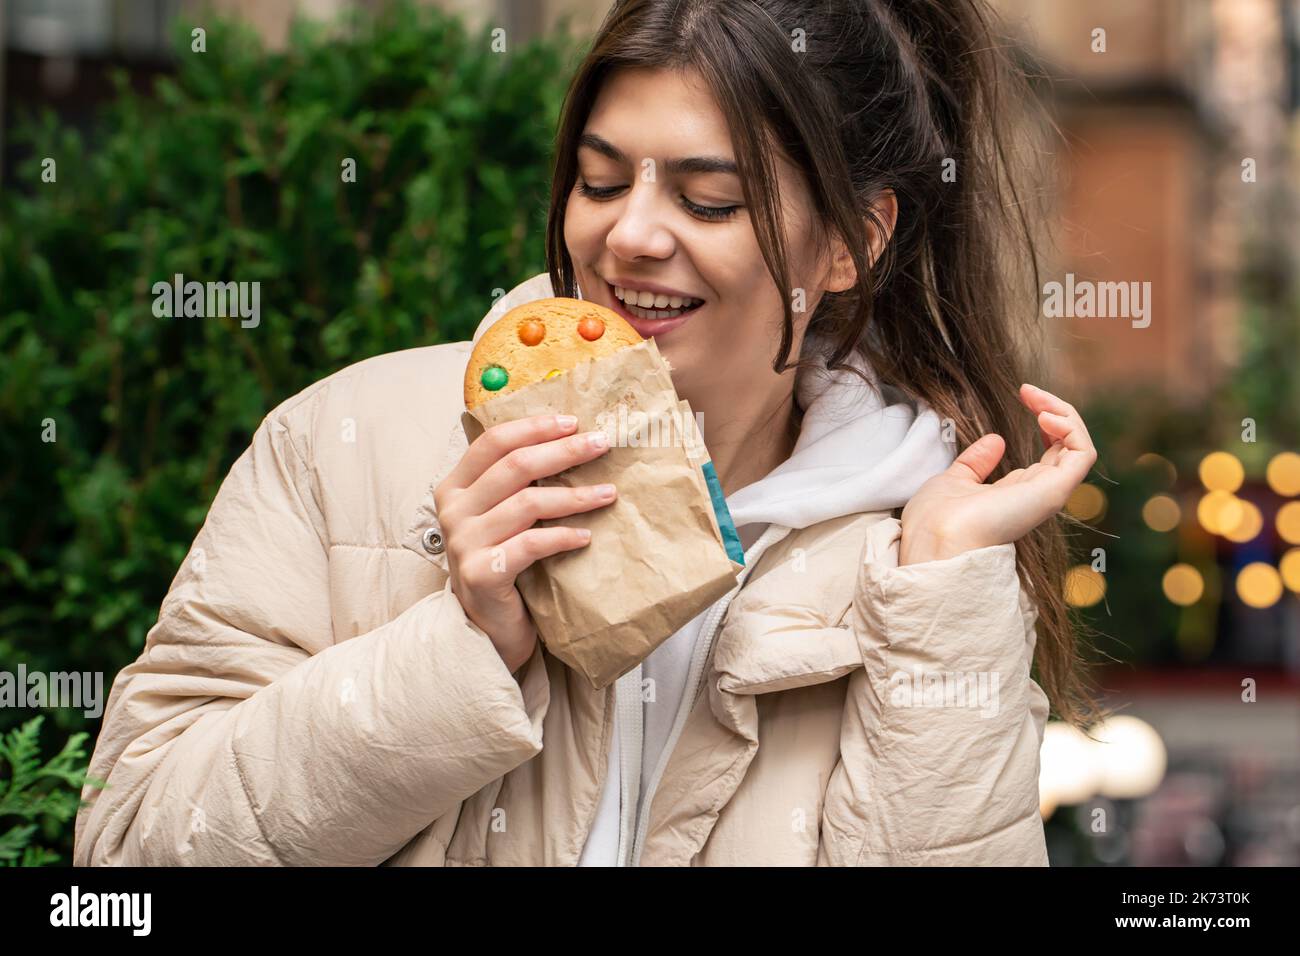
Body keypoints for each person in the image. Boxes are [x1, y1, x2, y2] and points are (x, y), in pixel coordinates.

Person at [75, 0, 1101, 867]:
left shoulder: (915, 550)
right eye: (601, 181)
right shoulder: (347, 440)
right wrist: (462, 643)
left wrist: (939, 596)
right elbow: (131, 845)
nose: (629, 235)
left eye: (710, 199)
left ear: (850, 242)